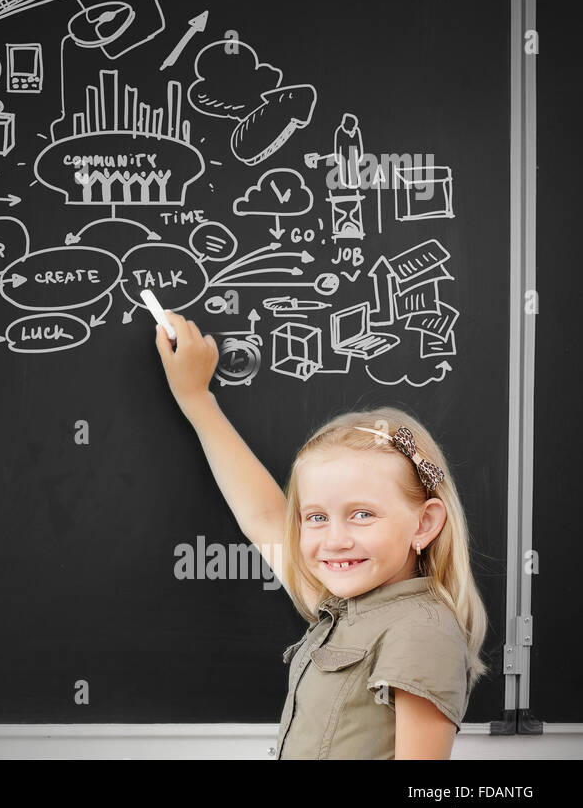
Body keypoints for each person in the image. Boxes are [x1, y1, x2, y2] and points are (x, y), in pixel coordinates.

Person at [152, 310, 488, 759]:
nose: (334, 540)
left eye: (362, 514)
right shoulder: (346, 610)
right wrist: (196, 398)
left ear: (424, 524)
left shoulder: (419, 632)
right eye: (315, 517)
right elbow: (266, 517)